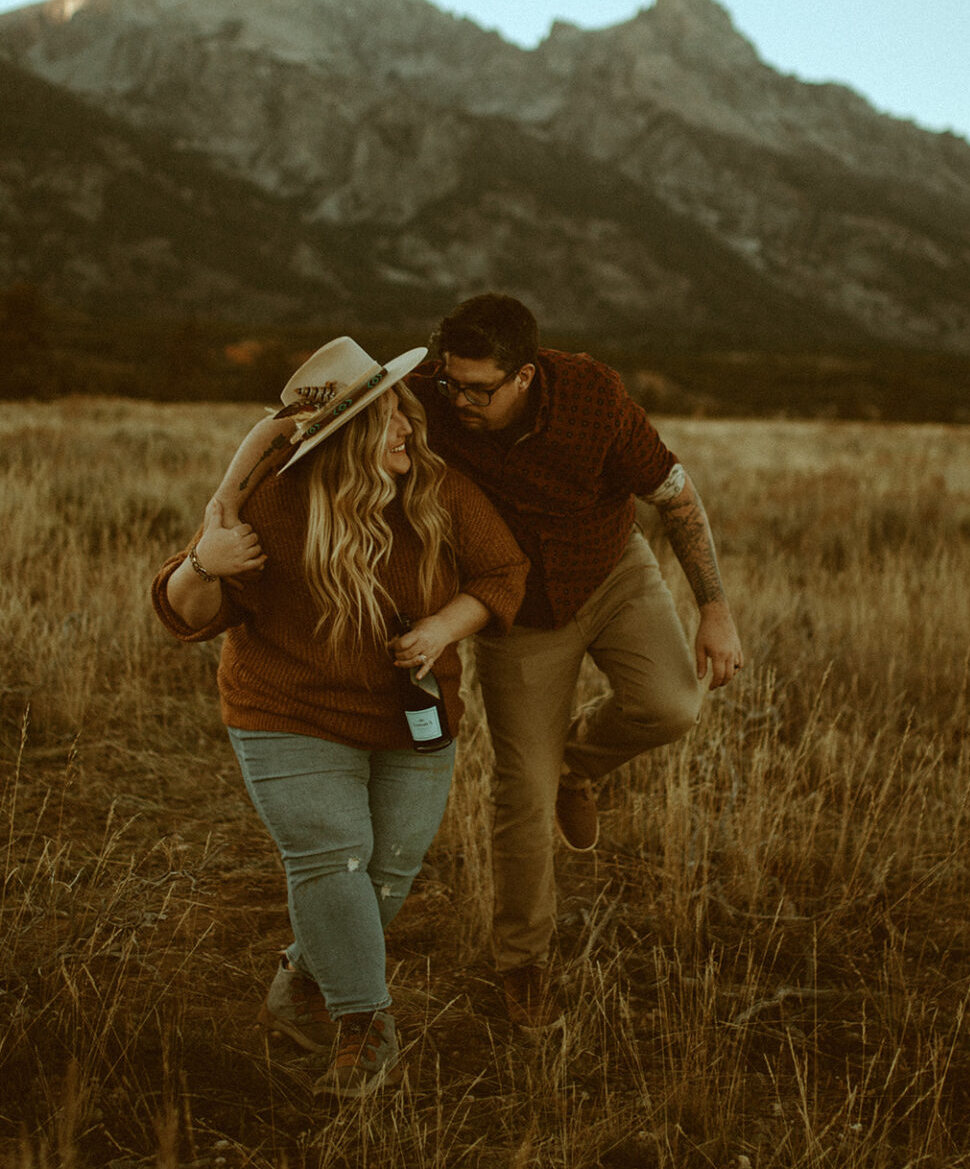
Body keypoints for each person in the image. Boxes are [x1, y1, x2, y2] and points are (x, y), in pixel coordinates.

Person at [208, 297, 742, 1033]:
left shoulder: (594, 397)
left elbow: (675, 496)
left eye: (478, 389)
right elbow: (288, 420)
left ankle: (577, 764)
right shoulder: (432, 390)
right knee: (521, 790)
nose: (457, 401)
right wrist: (221, 511)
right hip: (518, 607)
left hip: (611, 567)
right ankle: (523, 963)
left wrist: (713, 608)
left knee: (672, 706)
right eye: (450, 384)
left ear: (525, 377)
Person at [151, 336, 528, 1095]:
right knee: (333, 857)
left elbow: (502, 570)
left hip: (413, 710)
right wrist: (204, 565)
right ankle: (367, 1028)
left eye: (403, 410)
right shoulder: (274, 502)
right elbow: (180, 611)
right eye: (384, 416)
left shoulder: (437, 488)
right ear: (342, 435)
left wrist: (442, 629)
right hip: (287, 708)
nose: (407, 428)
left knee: (389, 870)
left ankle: (302, 974)